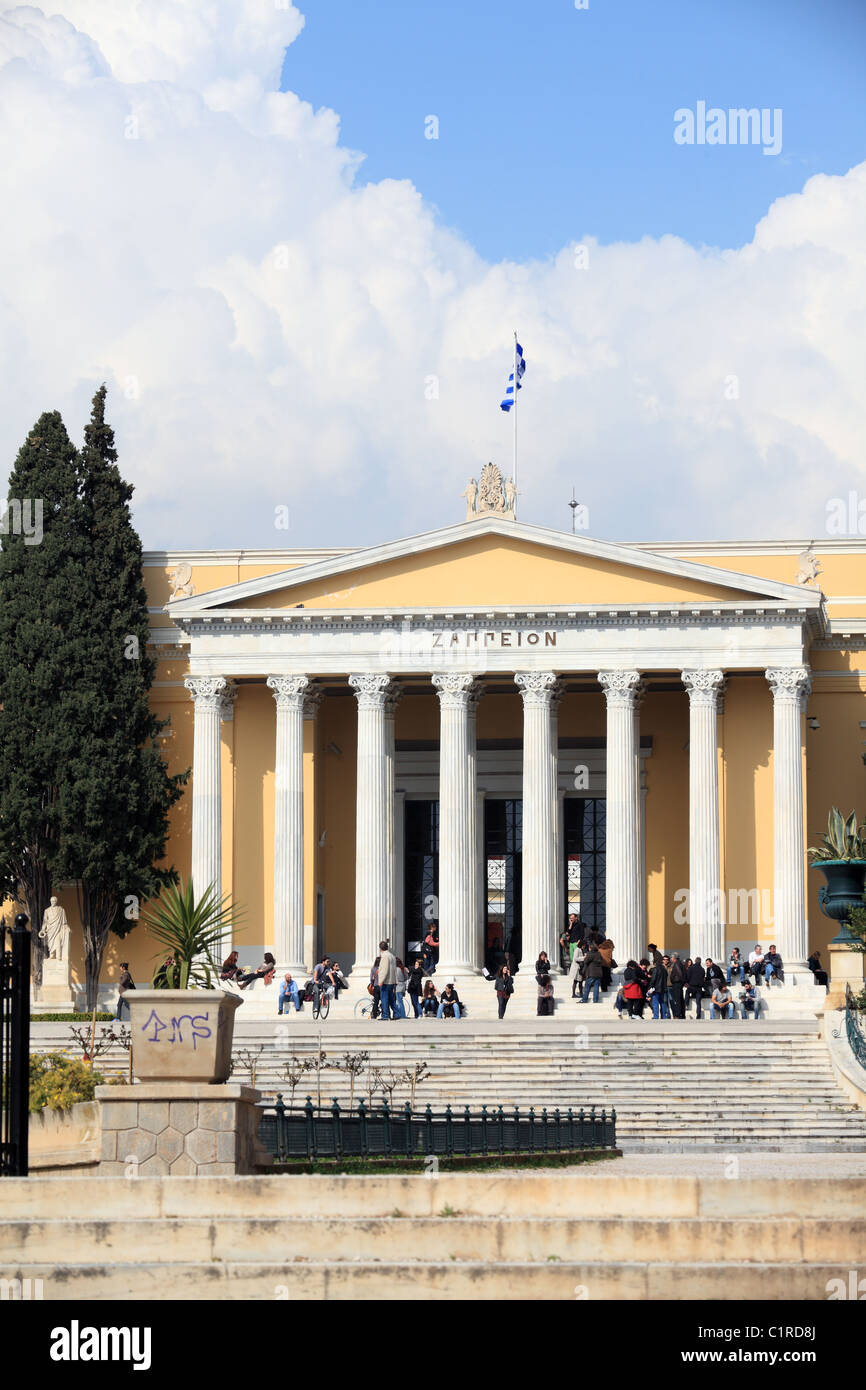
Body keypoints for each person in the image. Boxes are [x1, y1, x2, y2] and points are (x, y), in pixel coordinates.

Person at [376, 939, 397, 1020]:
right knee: (391, 999)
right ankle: (397, 1013)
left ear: (380, 948)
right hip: (391, 981)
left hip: (386, 981)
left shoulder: (384, 956)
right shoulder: (392, 956)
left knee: (384, 999)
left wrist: (381, 981)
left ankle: (385, 1015)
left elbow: (384, 969)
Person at [649, 955, 669, 1019]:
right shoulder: (664, 969)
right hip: (663, 989)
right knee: (662, 1003)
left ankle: (656, 1017)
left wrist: (650, 988)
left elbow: (653, 980)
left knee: (655, 1003)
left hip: (656, 989)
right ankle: (663, 1016)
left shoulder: (655, 969)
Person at [668, 953, 685, 1019]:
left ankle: (678, 1014)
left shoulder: (676, 964)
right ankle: (682, 1014)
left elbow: (680, 974)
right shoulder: (680, 963)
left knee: (677, 1000)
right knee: (680, 999)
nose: (671, 959)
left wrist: (678, 981)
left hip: (677, 984)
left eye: (671, 958)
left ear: (674, 958)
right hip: (679, 984)